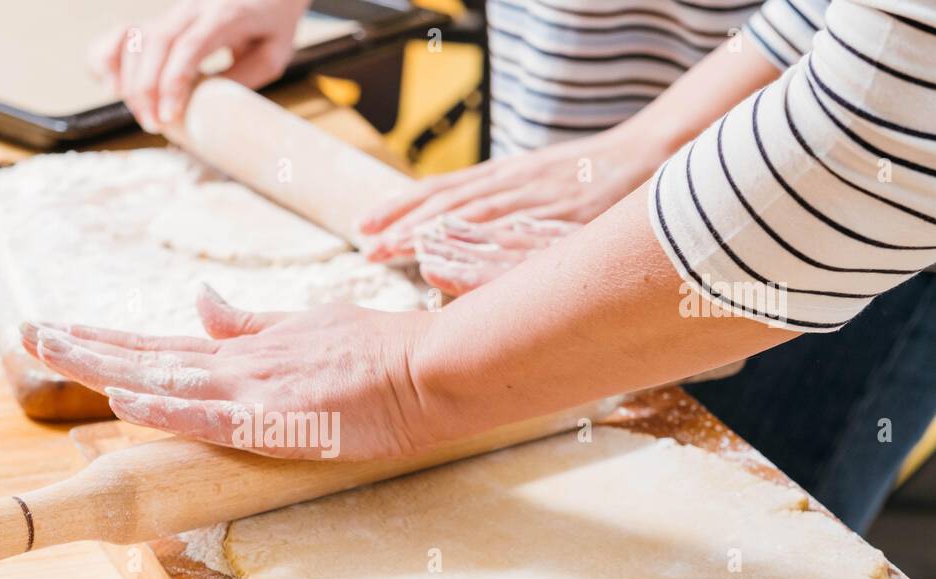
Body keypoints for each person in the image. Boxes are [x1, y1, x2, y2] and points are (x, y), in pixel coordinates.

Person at [69, 0, 936, 531]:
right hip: (569, 96)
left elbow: (880, 126)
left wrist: (414, 378)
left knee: (731, 558)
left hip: (839, 230)